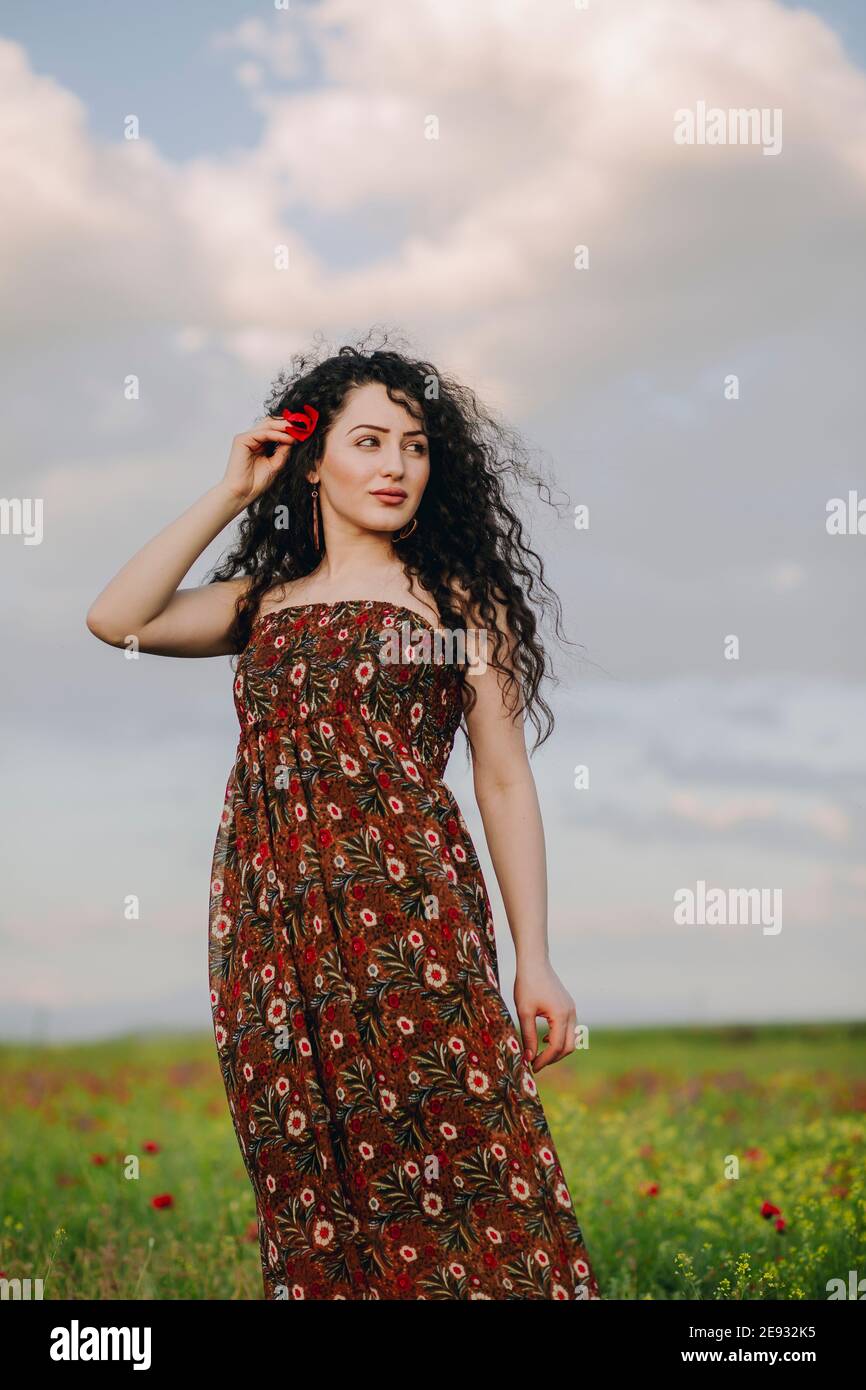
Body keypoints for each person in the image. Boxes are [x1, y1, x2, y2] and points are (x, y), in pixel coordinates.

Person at [87, 337, 601, 1301]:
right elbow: (117, 619)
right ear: (312, 458)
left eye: (414, 445)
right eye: (369, 442)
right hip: (271, 933)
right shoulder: (261, 604)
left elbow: (502, 781)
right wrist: (231, 493)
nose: (397, 466)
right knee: (314, 1180)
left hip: (416, 923)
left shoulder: (457, 604)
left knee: (474, 1165)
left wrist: (535, 957)